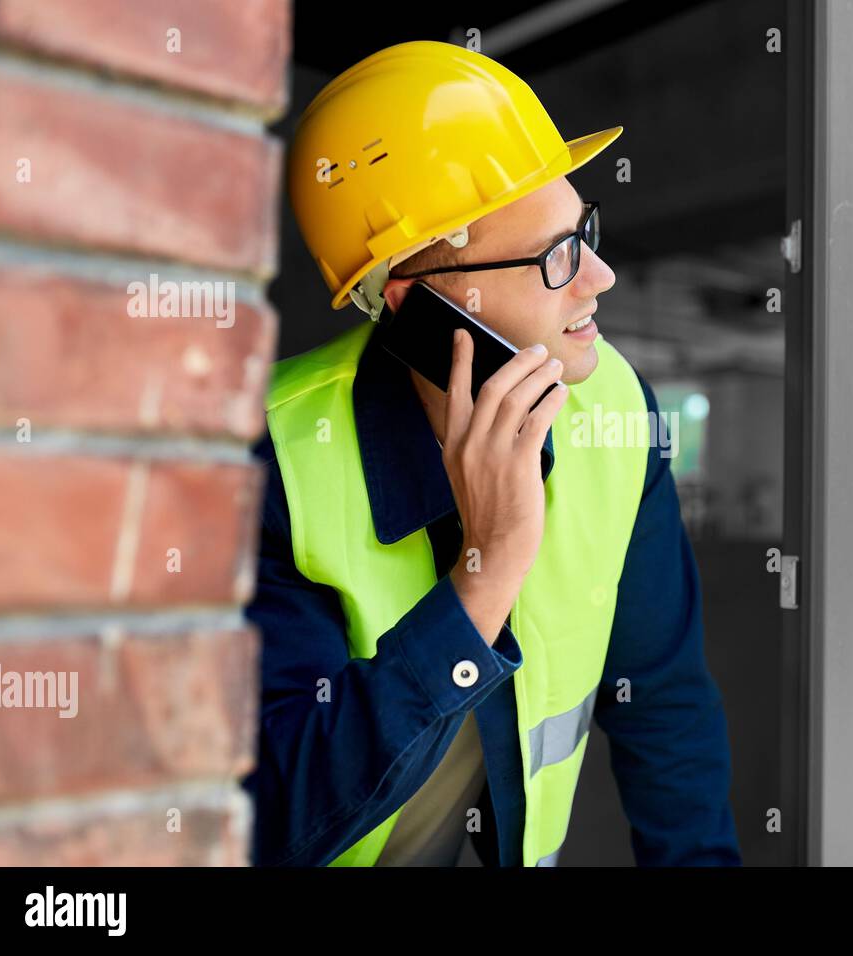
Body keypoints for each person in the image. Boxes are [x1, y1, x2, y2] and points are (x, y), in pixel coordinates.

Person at [242, 40, 740, 867]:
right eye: (556, 257)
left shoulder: (613, 408)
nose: (601, 277)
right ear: (418, 308)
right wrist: (486, 572)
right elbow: (275, 820)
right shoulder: (269, 461)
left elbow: (663, 706)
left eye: (584, 230)